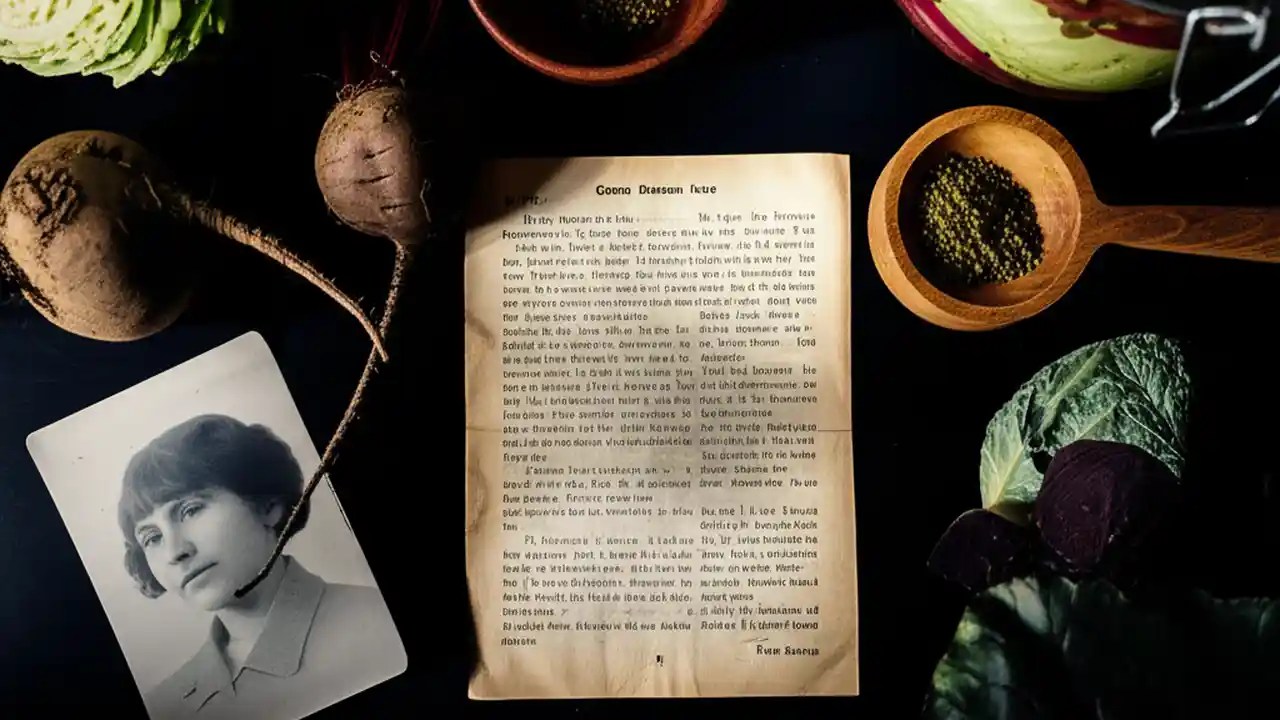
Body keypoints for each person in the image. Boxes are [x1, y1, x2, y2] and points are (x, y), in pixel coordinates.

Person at [117, 414, 406, 719]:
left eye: (190, 510)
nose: (175, 551)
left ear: (267, 506)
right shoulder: (166, 705)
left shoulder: (381, 625)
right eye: (151, 538)